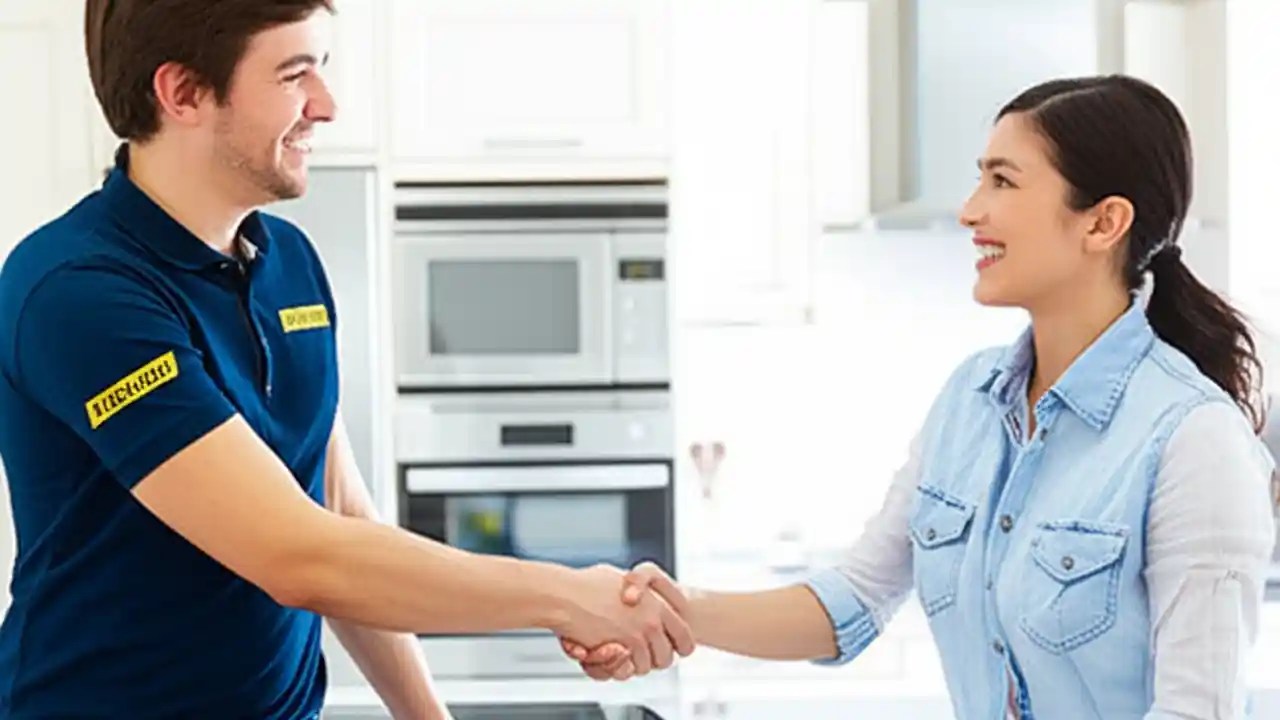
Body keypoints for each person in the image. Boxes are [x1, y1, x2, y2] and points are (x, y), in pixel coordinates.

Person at [0, 2, 691, 718]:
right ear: (182, 93)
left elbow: (340, 519)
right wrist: (567, 597)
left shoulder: (288, 262)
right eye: (295, 75)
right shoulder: (76, 291)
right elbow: (299, 557)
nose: (326, 107)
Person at [567, 75, 1278, 720]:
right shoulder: (971, 401)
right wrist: (673, 609)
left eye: (1003, 182)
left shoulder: (1193, 439)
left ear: (1102, 222)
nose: (971, 212)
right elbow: (852, 600)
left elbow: (1196, 714)